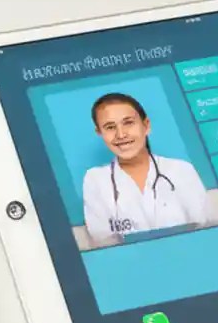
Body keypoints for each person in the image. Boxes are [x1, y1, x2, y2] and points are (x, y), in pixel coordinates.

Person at [82, 93, 210, 245]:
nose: (121, 134)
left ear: (146, 125)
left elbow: (205, 228)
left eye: (128, 123)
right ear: (99, 132)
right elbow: (102, 240)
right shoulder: (95, 180)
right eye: (110, 127)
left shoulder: (181, 170)